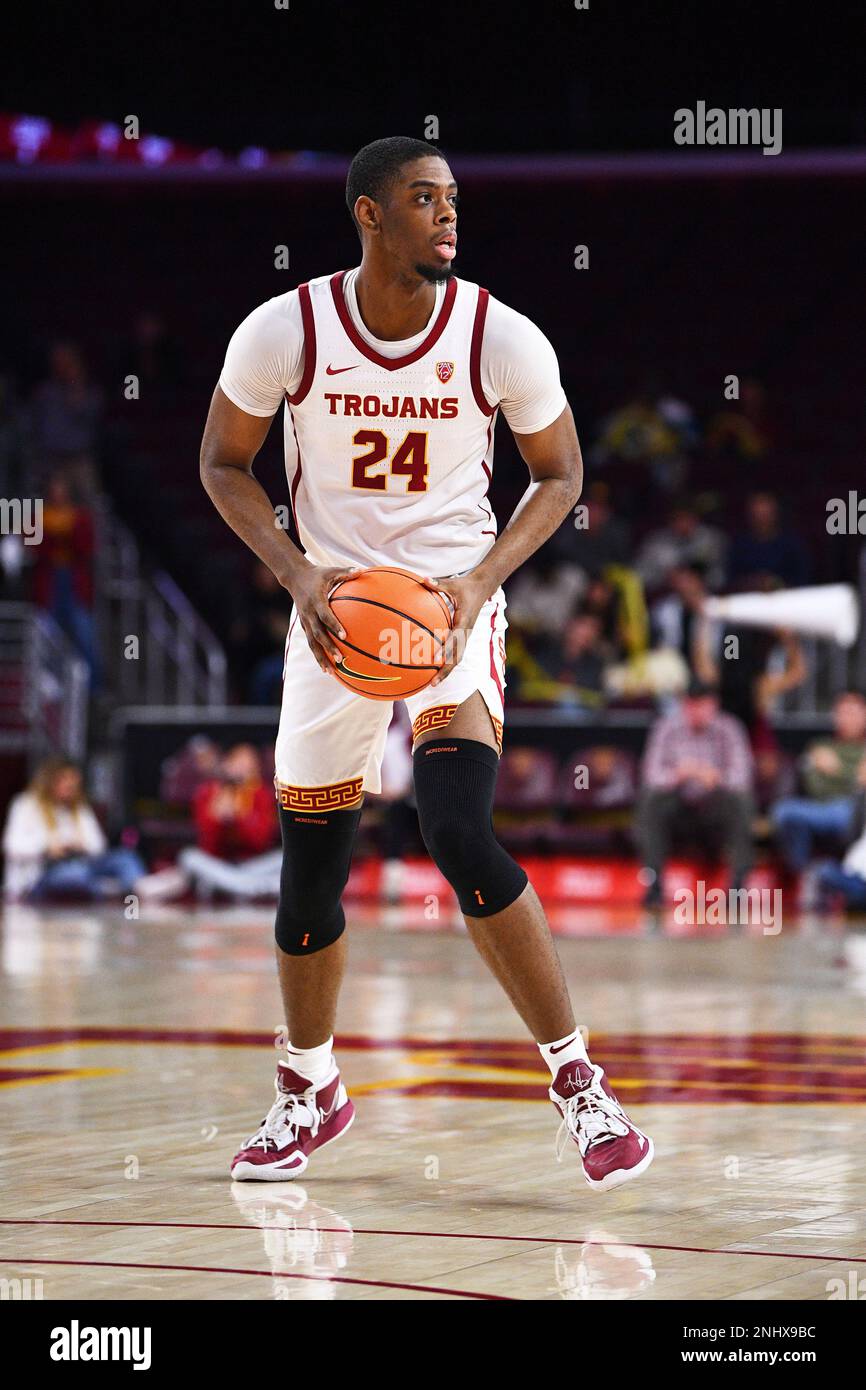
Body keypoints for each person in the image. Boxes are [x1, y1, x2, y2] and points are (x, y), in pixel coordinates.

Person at [201, 136, 653, 1191]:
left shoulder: (498, 334)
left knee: (456, 828)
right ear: (368, 214)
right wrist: (298, 575)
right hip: (332, 614)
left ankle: (578, 1081)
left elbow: (558, 473)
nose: (448, 215)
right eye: (423, 198)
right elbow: (224, 462)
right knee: (309, 870)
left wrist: (480, 582)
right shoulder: (287, 329)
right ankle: (309, 1085)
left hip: (449, 612)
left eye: (452, 198)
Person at [636, 678, 755, 907]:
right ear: (684, 704)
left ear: (714, 704)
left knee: (741, 800)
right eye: (691, 704)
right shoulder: (666, 727)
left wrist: (716, 777)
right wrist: (679, 775)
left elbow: (742, 776)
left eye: (703, 704)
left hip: (715, 809)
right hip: (679, 808)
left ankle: (738, 886)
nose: (697, 711)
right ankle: (654, 885)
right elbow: (650, 775)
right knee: (651, 800)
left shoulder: (730, 728)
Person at [2, 757, 146, 901]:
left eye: (74, 781)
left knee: (125, 857)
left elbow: (98, 846)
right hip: (43, 873)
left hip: (83, 863)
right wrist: (47, 846)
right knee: (75, 875)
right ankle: (113, 890)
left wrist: (81, 845)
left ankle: (138, 887)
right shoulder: (26, 805)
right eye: (66, 780)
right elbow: (11, 846)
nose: (71, 785)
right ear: (50, 781)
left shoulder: (79, 807)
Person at [771, 690, 866, 873]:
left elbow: (859, 789)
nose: (847, 719)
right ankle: (803, 873)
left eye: (853, 713)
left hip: (854, 810)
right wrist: (854, 775)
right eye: (842, 713)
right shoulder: (821, 745)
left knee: (847, 814)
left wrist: (837, 770)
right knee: (784, 811)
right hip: (819, 807)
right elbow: (815, 786)